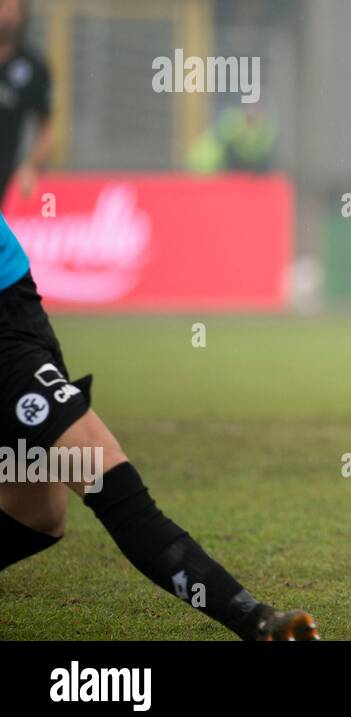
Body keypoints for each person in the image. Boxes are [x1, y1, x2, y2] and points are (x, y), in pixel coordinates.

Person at [0, 211, 318, 640]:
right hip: (6, 338)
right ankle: (257, 622)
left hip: (20, 305)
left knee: (38, 514)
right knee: (108, 479)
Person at [0, 0, 53, 201]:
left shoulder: (33, 67)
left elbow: (47, 127)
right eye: (3, 4)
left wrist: (32, 166)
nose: (8, 13)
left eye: (15, 7)